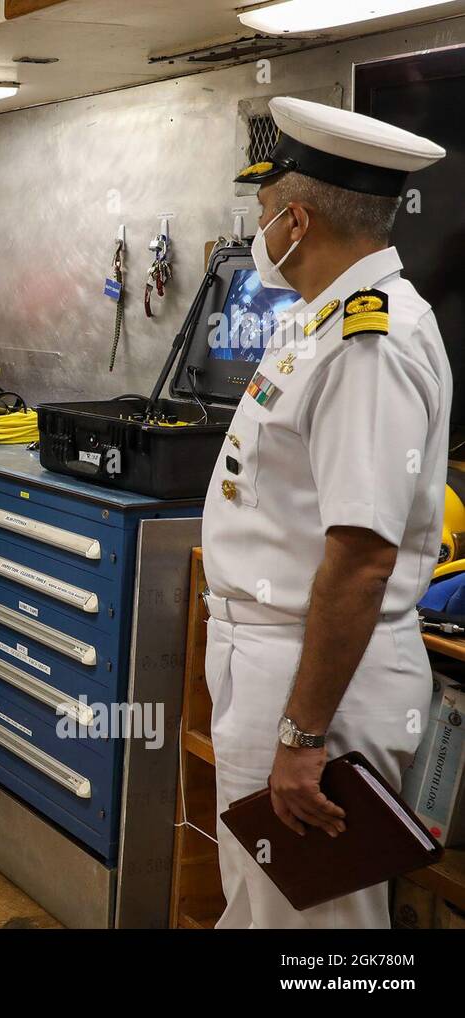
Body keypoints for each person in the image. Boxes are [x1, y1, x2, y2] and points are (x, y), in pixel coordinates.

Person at [202, 97, 449, 928]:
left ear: (297, 219)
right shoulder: (325, 321)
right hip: (270, 658)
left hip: (314, 681)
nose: (260, 228)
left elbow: (362, 557)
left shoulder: (369, 344)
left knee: (312, 930)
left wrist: (304, 739)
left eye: (265, 212)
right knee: (266, 900)